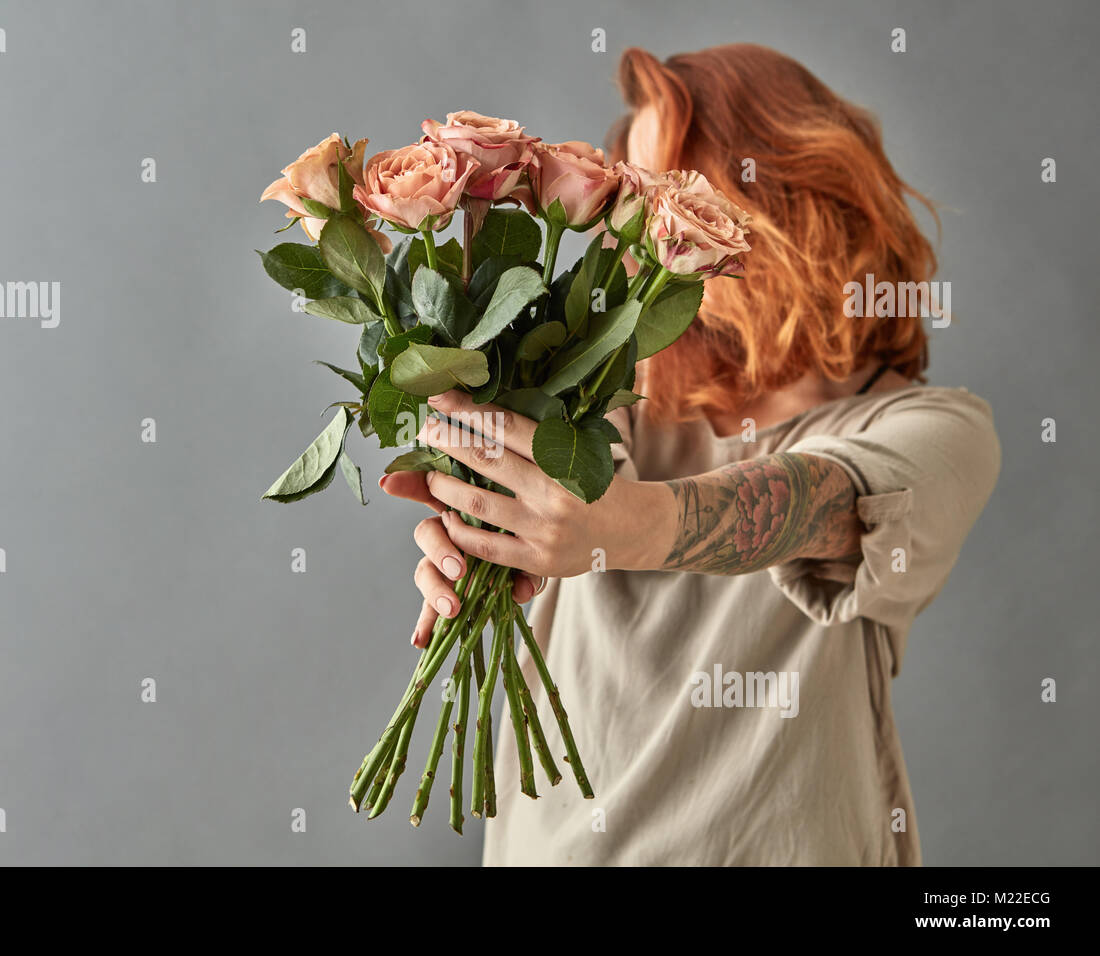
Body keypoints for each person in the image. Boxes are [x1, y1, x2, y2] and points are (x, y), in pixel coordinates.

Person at [378, 44, 1000, 865]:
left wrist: (615, 526)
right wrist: (480, 533)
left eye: (672, 188)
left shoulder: (936, 431)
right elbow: (526, 499)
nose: (642, 233)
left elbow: (824, 503)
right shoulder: (606, 397)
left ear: (782, 191)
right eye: (632, 200)